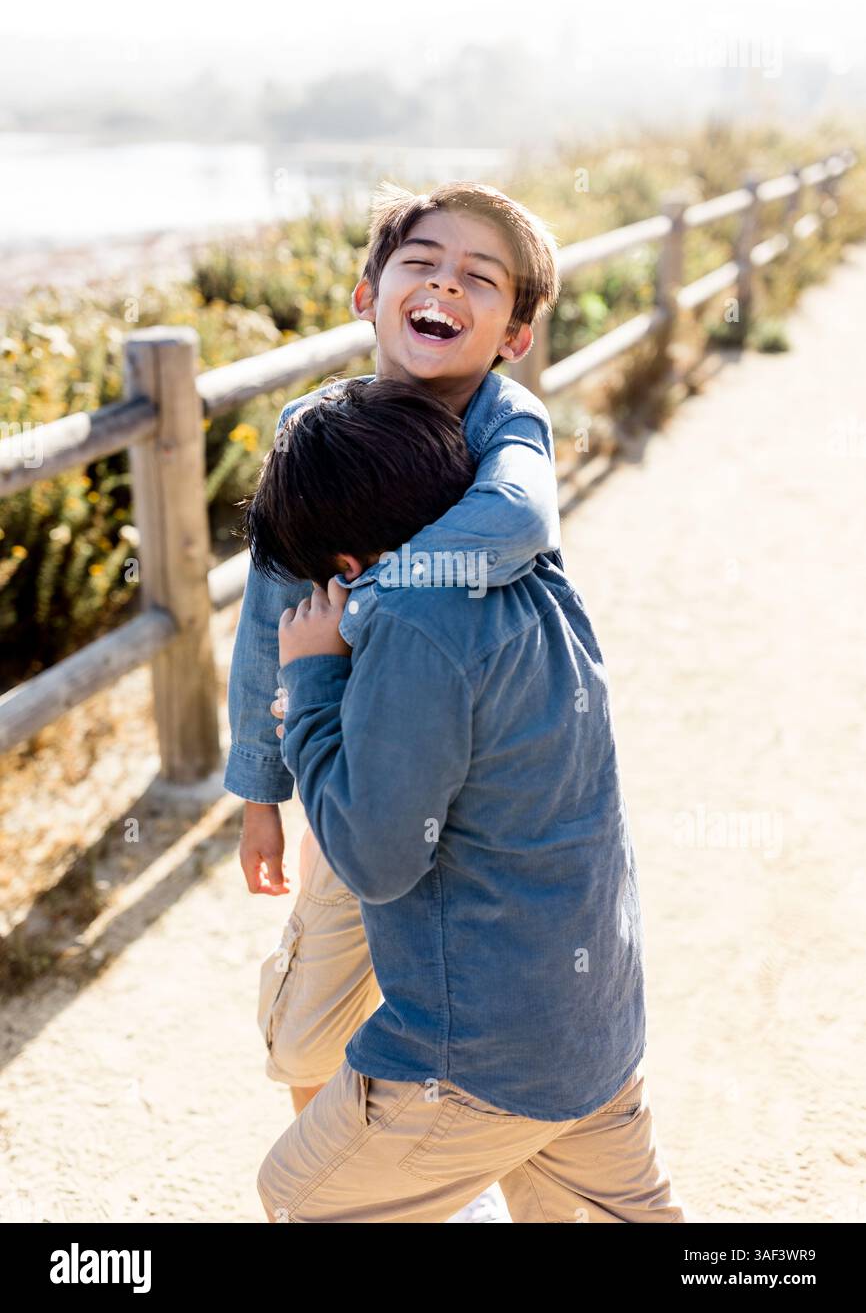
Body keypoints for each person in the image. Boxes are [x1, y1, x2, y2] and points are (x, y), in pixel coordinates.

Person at [246, 375, 687, 1223]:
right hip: (594, 1035)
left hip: (475, 1061)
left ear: (345, 569)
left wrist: (311, 684)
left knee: (301, 1195)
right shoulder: (542, 580)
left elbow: (374, 858)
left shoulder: (410, 632)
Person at [228, 181, 565, 1126]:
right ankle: (339, 1177)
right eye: (421, 266)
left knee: (470, 1004)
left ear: (514, 335)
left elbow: (520, 514)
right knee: (308, 1026)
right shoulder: (314, 434)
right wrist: (260, 790)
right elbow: (270, 618)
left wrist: (364, 604)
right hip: (350, 757)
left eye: (480, 278)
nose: (444, 286)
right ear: (366, 294)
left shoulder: (504, 418)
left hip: (483, 780)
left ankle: (459, 1161)